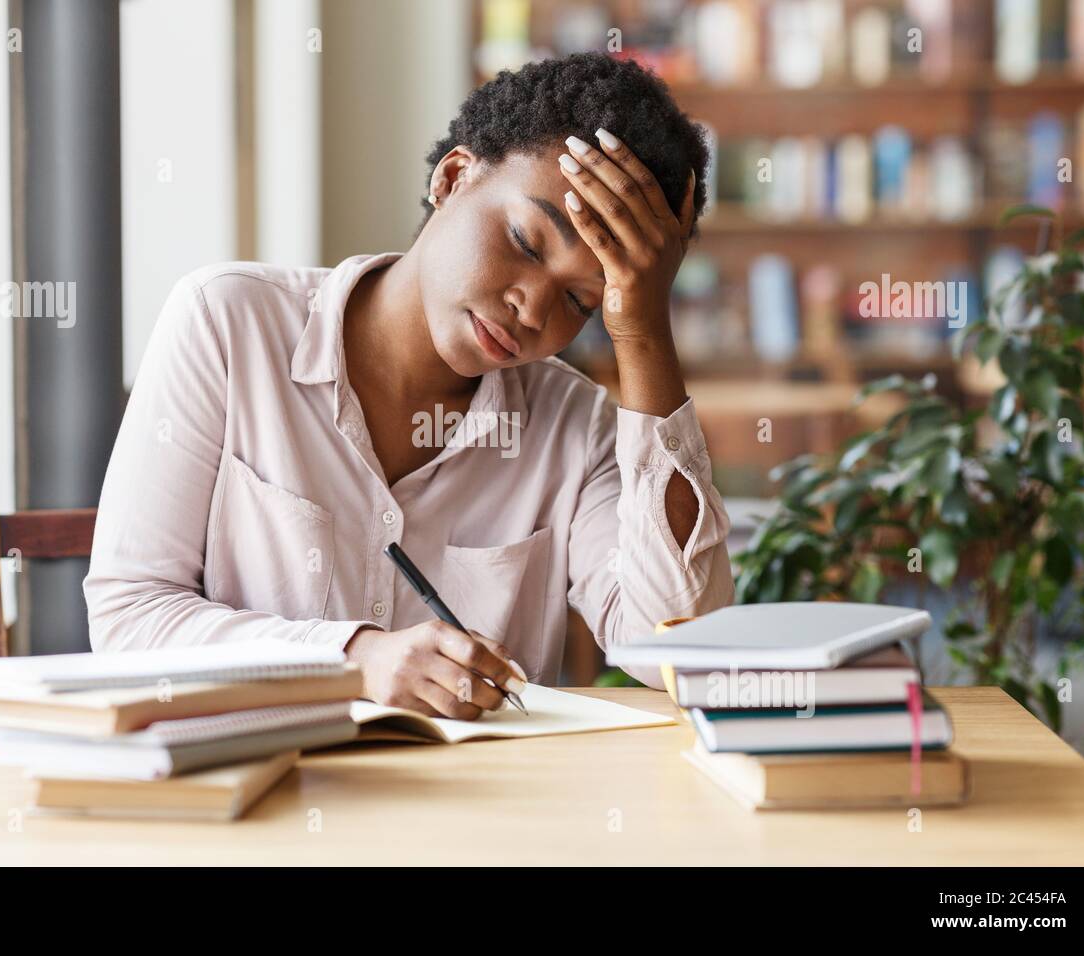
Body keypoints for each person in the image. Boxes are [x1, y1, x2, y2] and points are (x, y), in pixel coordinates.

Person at [84, 52, 733, 718]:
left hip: (480, 810)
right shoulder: (225, 323)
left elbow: (681, 650)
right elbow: (129, 621)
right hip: (266, 797)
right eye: (526, 241)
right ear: (454, 178)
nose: (532, 309)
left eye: (580, 300)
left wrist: (644, 328)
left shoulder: (579, 427)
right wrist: (355, 659)